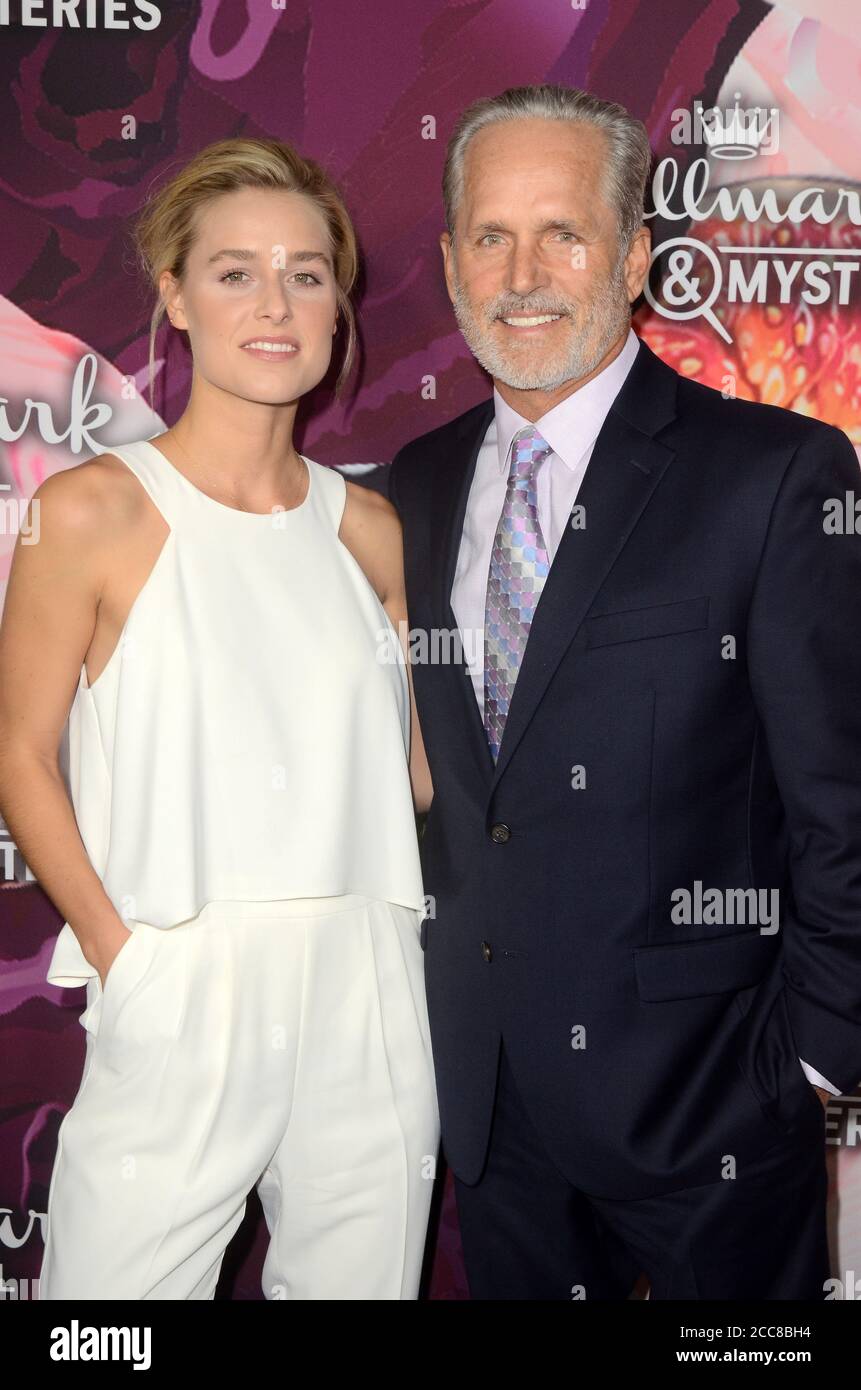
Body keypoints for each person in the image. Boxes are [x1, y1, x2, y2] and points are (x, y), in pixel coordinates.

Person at [387, 84, 861, 1300]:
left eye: (564, 232)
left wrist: (810, 1062)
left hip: (712, 1117)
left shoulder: (773, 475)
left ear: (637, 253)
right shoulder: (416, 485)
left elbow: (842, 802)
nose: (523, 271)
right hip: (494, 1120)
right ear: (448, 264)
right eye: (490, 235)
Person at [0, 136, 439, 1301]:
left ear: (338, 306)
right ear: (173, 295)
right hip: (181, 964)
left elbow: (418, 776)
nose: (277, 302)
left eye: (307, 272)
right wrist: (121, 950)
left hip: (369, 970)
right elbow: (19, 755)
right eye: (236, 271)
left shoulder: (373, 531)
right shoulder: (91, 510)